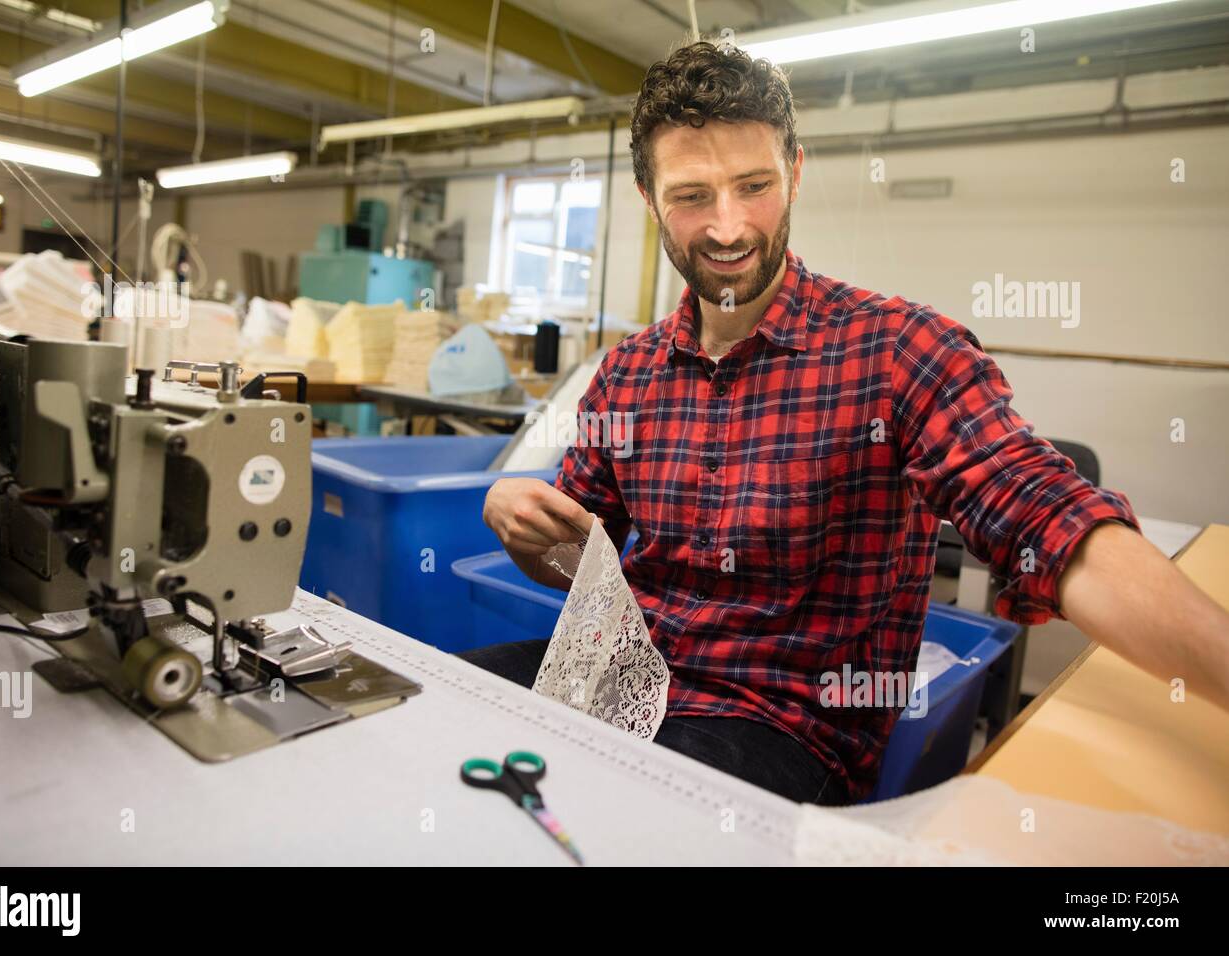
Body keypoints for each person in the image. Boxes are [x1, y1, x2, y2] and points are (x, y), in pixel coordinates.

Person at [464, 40, 1229, 805]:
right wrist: (525, 525)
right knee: (434, 715)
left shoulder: (897, 351)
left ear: (795, 173)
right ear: (648, 196)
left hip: (784, 726)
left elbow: (1043, 513)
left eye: (754, 186)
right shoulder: (629, 372)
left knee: (600, 822)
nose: (729, 229)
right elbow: (576, 565)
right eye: (693, 196)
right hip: (617, 672)